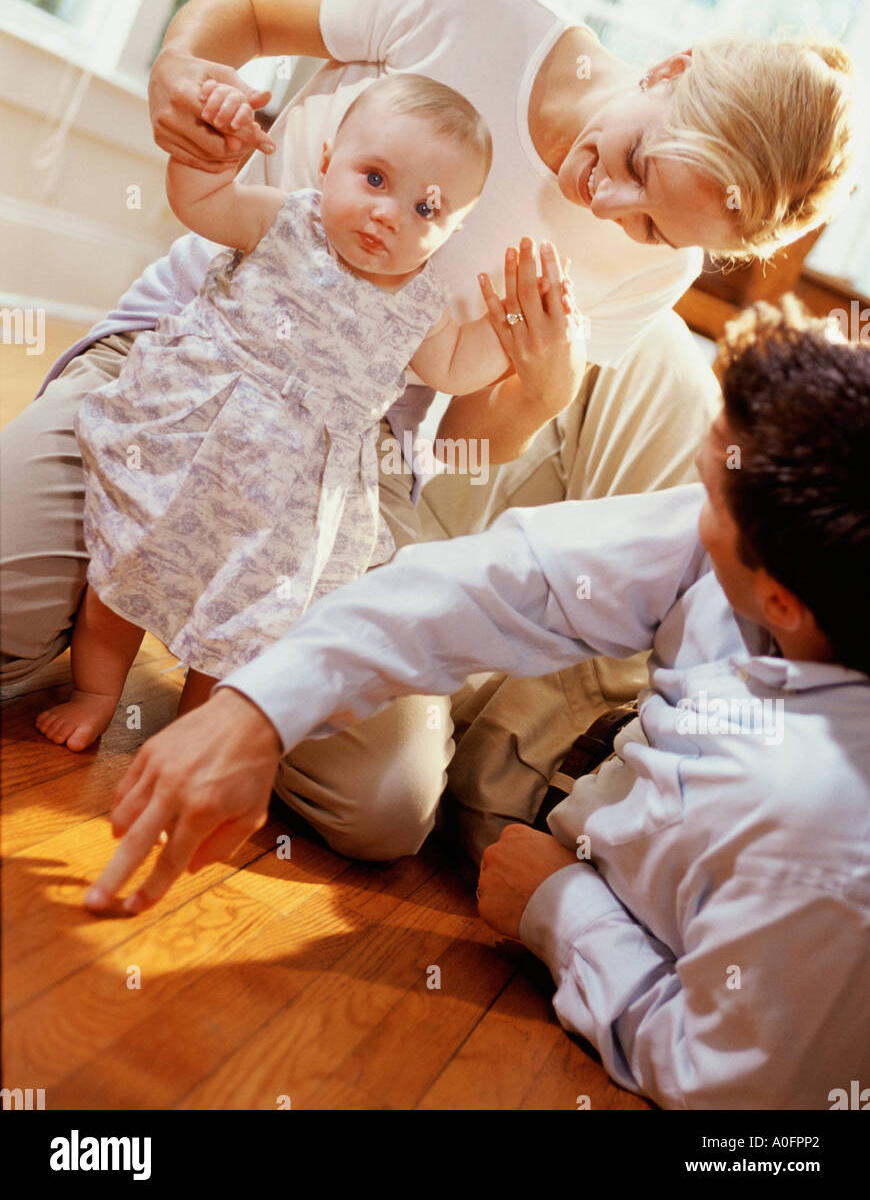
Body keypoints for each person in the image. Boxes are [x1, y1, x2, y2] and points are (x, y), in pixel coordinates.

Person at [1, 0, 857, 860]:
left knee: (383, 810)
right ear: (671, 68)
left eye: (649, 221)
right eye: (639, 164)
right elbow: (241, 15)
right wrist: (183, 68)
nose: (608, 203)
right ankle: (115, 621)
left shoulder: (657, 265)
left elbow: (463, 444)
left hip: (345, 469)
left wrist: (544, 390)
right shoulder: (467, 0)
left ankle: (203, 666)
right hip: (191, 363)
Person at [84, 301, 870, 1111]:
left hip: (536, 830)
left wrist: (561, 910)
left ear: (779, 601)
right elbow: (504, 581)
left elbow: (731, 1090)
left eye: (708, 496)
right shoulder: (779, 551)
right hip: (577, 730)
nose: (688, 505)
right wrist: (256, 711)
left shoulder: (824, 845)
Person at [36, 72, 574, 749]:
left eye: (425, 210)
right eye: (374, 179)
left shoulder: (420, 306)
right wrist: (206, 164)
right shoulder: (281, 218)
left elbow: (458, 369)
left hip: (286, 501)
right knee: (127, 569)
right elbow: (201, 205)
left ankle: (189, 741)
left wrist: (515, 327)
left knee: (242, 636)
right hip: (193, 435)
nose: (387, 214)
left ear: (454, 230)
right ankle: (95, 692)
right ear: (327, 162)